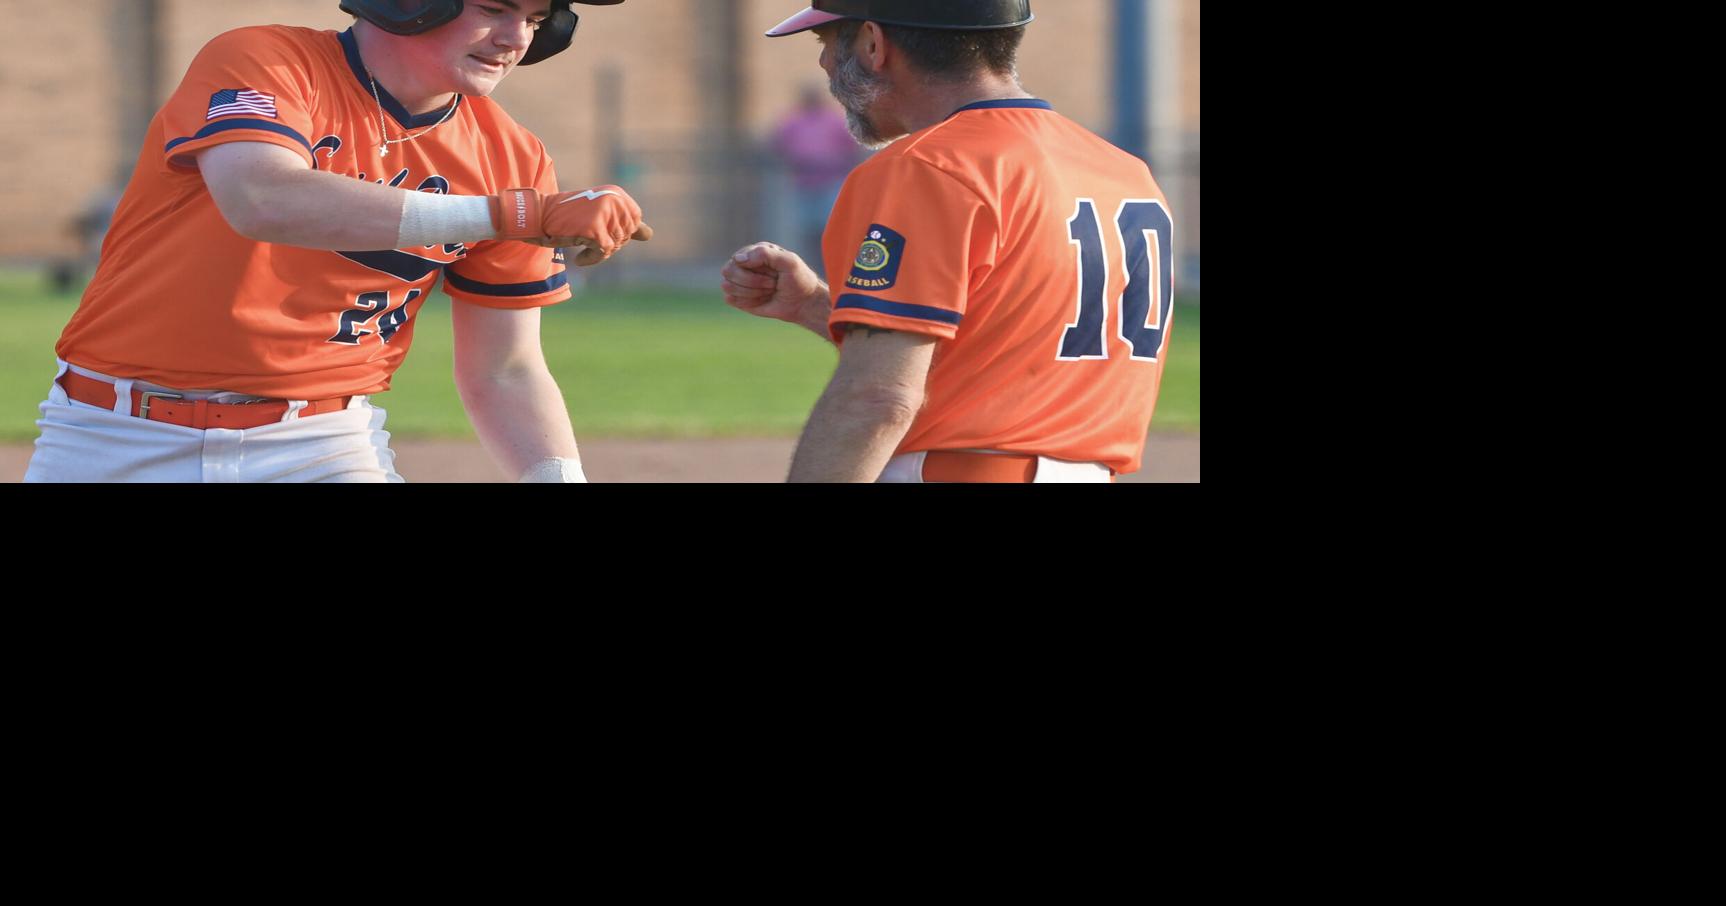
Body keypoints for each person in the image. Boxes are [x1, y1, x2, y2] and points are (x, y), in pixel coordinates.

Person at [25, 0, 648, 483]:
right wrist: (514, 214)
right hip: (113, 436)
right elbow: (262, 198)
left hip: (321, 445)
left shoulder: (513, 156)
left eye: (537, 19)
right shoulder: (267, 60)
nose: (518, 39)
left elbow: (506, 369)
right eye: (494, 9)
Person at [720, 0, 1176, 483]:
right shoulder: (1124, 172)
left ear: (874, 44)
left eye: (830, 42)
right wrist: (817, 306)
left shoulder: (926, 166)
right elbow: (1006, 353)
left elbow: (877, 398)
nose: (825, 63)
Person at [770, 84, 862, 265]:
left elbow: (853, 148)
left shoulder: (836, 120)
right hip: (803, 184)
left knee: (832, 228)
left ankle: (833, 265)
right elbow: (777, 146)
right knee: (806, 231)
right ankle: (811, 266)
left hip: (832, 182)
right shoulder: (793, 122)